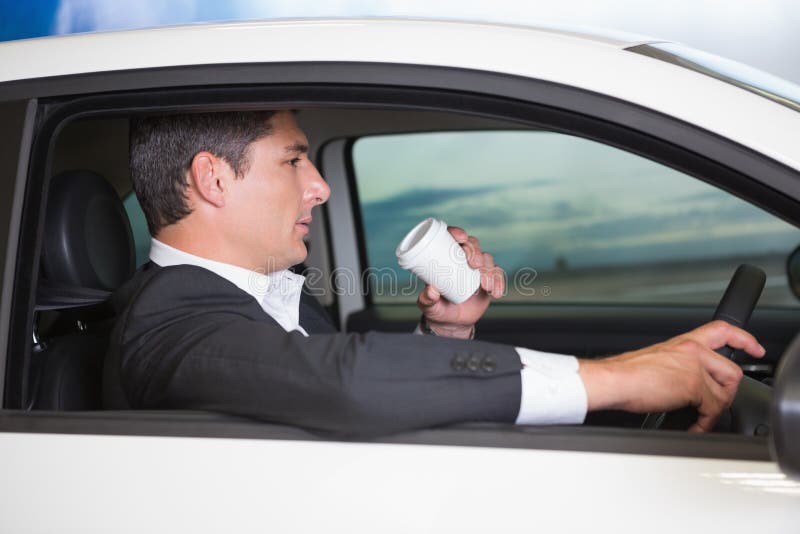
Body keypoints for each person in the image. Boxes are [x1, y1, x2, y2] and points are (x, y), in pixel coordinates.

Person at [102, 109, 765, 436]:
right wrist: (622, 378)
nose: (320, 187)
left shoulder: (274, 300)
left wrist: (444, 333)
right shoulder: (168, 316)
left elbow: (346, 385)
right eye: (294, 161)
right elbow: (348, 382)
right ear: (214, 179)